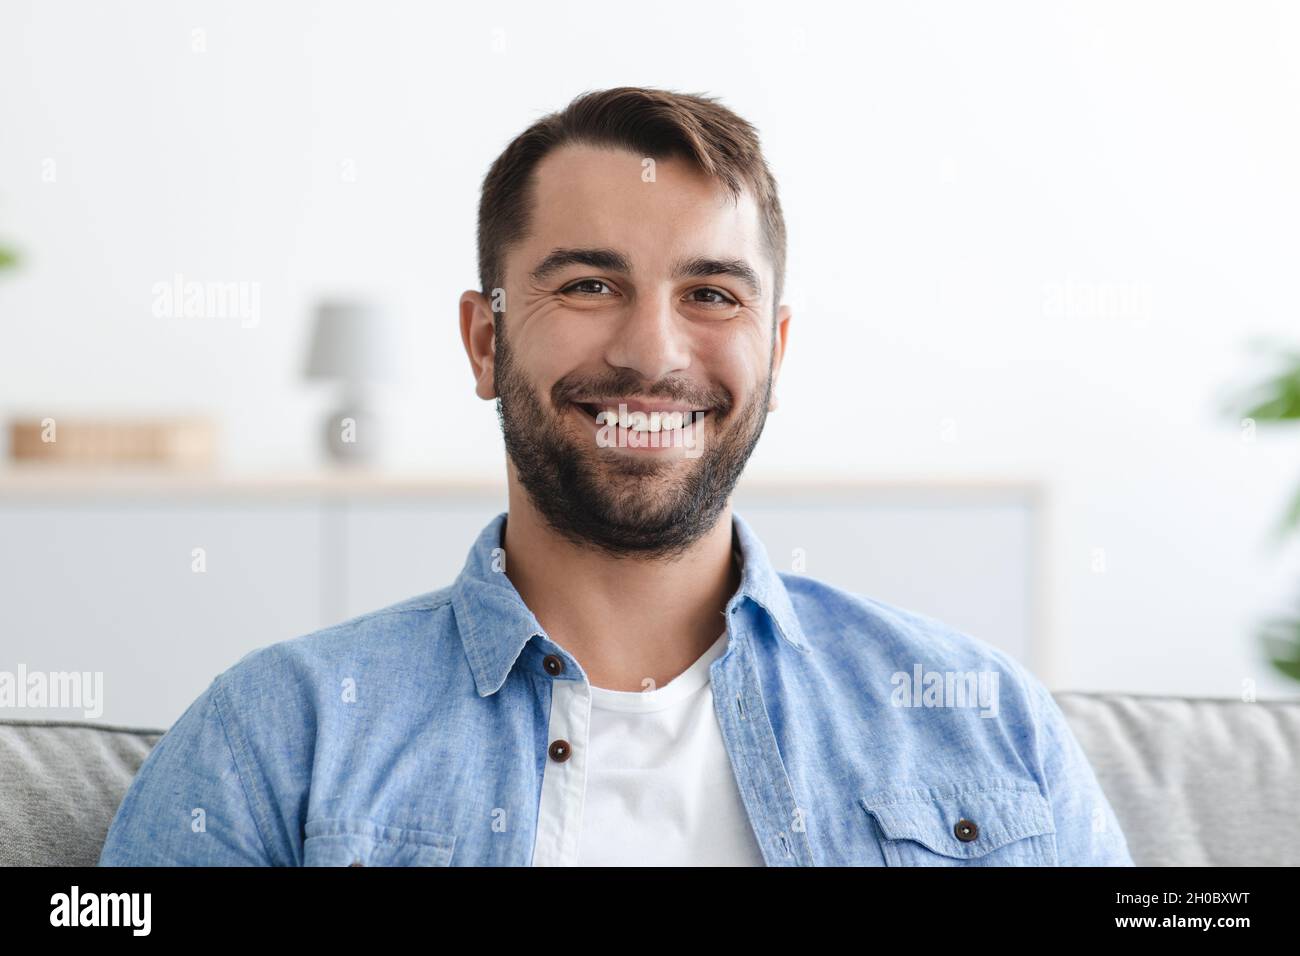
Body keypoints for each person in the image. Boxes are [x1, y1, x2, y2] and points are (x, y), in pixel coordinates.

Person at [99, 86, 1133, 866]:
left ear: (774, 351)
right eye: (589, 284)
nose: (652, 351)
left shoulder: (985, 719)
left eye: (711, 294)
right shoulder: (276, 735)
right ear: (481, 339)